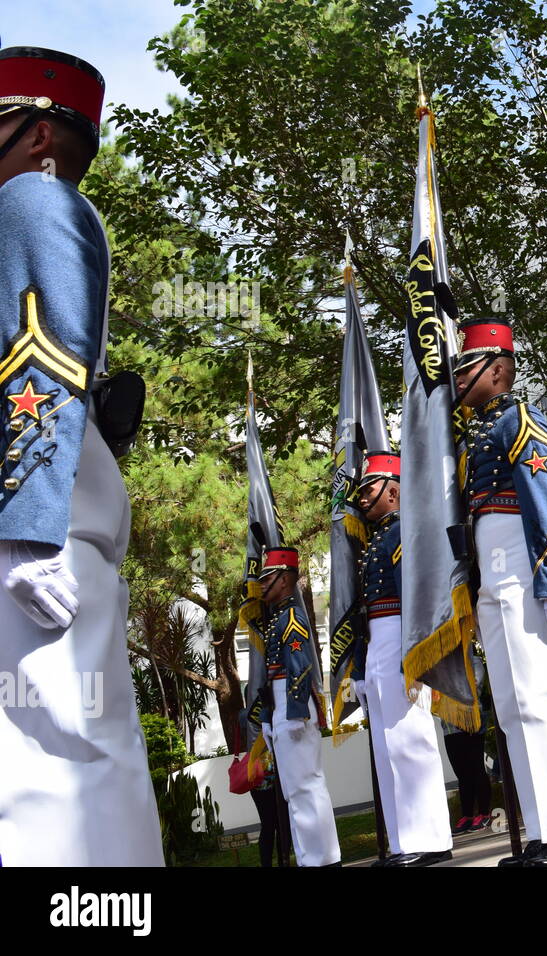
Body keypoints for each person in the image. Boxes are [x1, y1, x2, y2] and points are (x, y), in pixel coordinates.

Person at [0, 47, 163, 866]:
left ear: (38, 139)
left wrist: (27, 531)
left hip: (35, 526)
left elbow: (40, 358)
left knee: (53, 763)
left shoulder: (30, 201)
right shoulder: (45, 207)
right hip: (52, 511)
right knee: (73, 754)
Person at [453, 316, 547, 868]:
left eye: (465, 369)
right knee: (514, 706)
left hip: (523, 562)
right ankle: (544, 832)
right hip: (494, 571)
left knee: (545, 697)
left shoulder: (521, 420)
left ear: (496, 370)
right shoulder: (473, 434)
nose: (457, 381)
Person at [353, 452, 455, 866]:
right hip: (378, 638)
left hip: (400, 634)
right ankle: (402, 842)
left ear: (393, 491)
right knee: (386, 748)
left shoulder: (404, 534)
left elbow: (416, 597)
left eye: (368, 488)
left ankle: (429, 840)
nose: (360, 498)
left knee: (410, 740)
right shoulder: (377, 538)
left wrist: (413, 655)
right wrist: (362, 669)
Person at [256, 546, 341, 866]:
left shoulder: (291, 615)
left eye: (268, 578)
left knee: (307, 784)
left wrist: (293, 712)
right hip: (282, 705)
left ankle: (323, 859)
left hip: (294, 706)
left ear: (286, 579)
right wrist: (268, 716)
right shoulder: (277, 616)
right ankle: (311, 858)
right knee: (295, 790)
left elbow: (301, 666)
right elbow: (270, 675)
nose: (262, 584)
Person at [445, 647, 493, 834]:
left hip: (470, 721)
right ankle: (467, 815)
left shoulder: (472, 660)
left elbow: (474, 685)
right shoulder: (440, 666)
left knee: (476, 768)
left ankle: (484, 813)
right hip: (449, 727)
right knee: (462, 773)